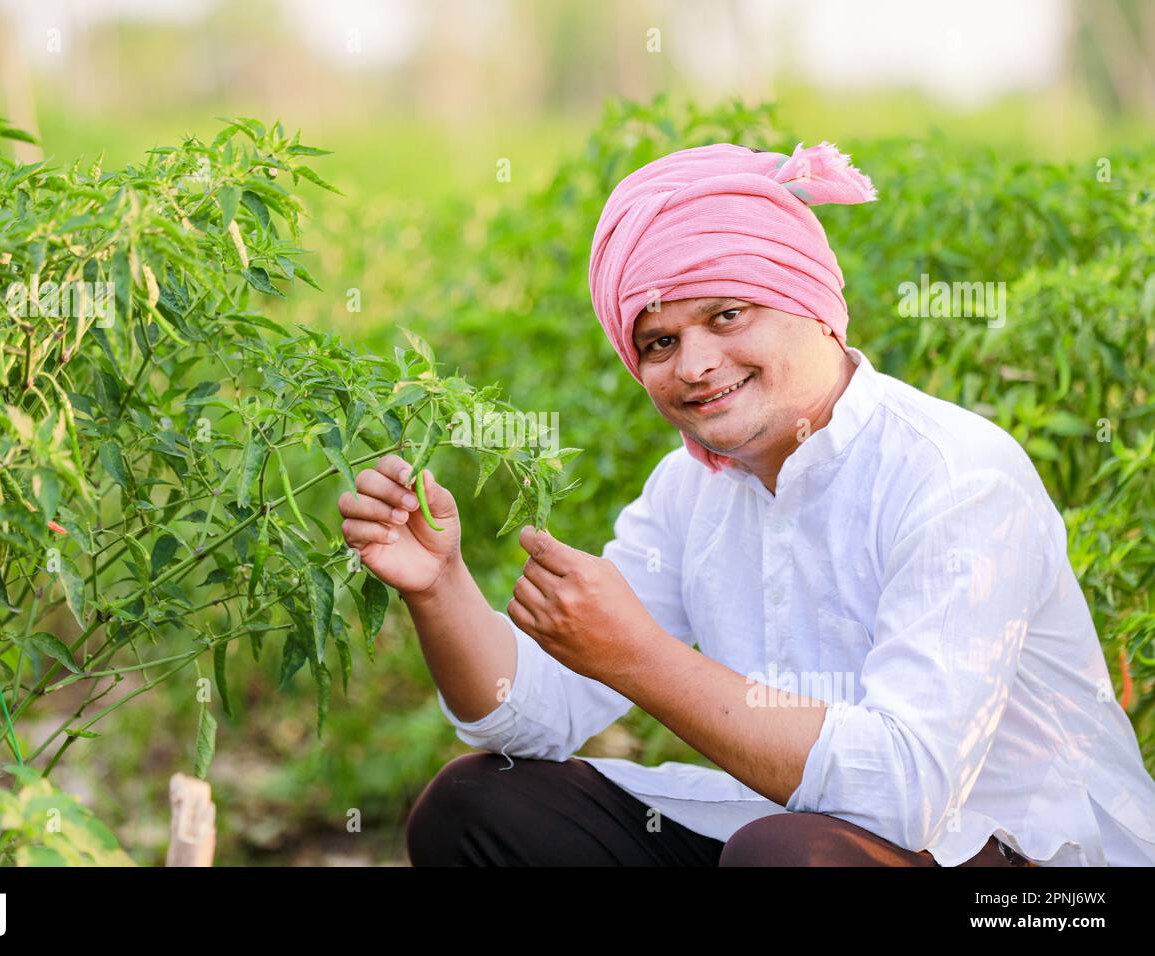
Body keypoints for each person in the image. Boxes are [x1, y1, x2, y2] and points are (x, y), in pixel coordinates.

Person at [338, 141, 1155, 866]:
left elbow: (905, 796)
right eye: (659, 342)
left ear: (814, 309)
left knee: (788, 857)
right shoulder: (693, 486)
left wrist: (638, 656)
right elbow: (532, 717)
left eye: (727, 315)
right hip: (794, 834)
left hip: (1024, 870)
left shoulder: (955, 476)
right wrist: (439, 587)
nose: (694, 364)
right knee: (478, 809)